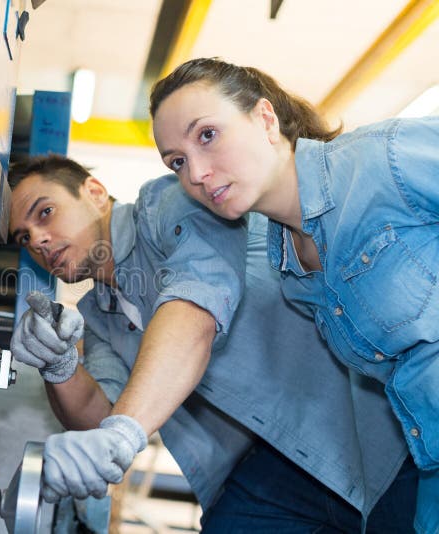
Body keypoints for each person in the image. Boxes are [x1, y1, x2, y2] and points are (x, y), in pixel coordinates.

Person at [7, 154, 416, 531]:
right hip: (263, 472)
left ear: (94, 193)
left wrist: (121, 433)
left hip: (363, 431)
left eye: (45, 212)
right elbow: (100, 422)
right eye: (24, 238)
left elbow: (196, 301)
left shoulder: (168, 203)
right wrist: (59, 367)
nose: (39, 240)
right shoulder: (99, 315)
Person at [148, 56, 438, 533]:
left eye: (206, 135)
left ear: (265, 119)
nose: (196, 172)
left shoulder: (382, 161)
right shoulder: (290, 267)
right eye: (177, 162)